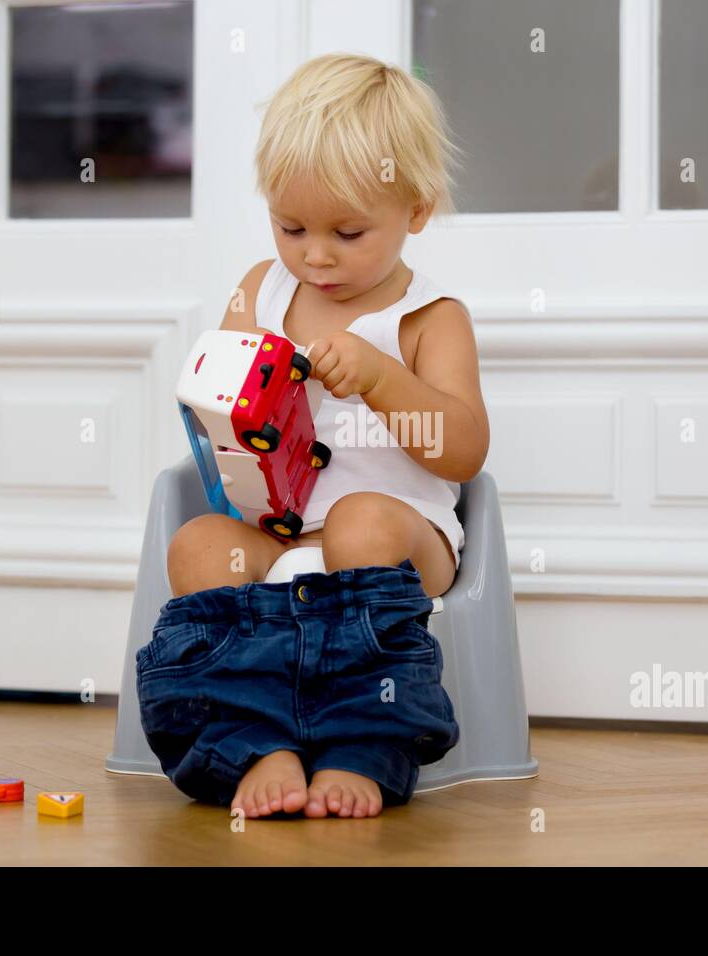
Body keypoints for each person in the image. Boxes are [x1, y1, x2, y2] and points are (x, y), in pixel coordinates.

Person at [141, 52, 488, 820]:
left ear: (418, 209)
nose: (316, 254)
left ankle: (364, 743)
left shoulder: (429, 318)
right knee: (198, 547)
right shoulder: (259, 287)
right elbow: (225, 393)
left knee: (362, 519)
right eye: (291, 226)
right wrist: (232, 404)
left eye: (348, 231)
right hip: (279, 533)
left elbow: (462, 450)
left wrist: (379, 377)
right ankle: (260, 740)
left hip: (397, 543)